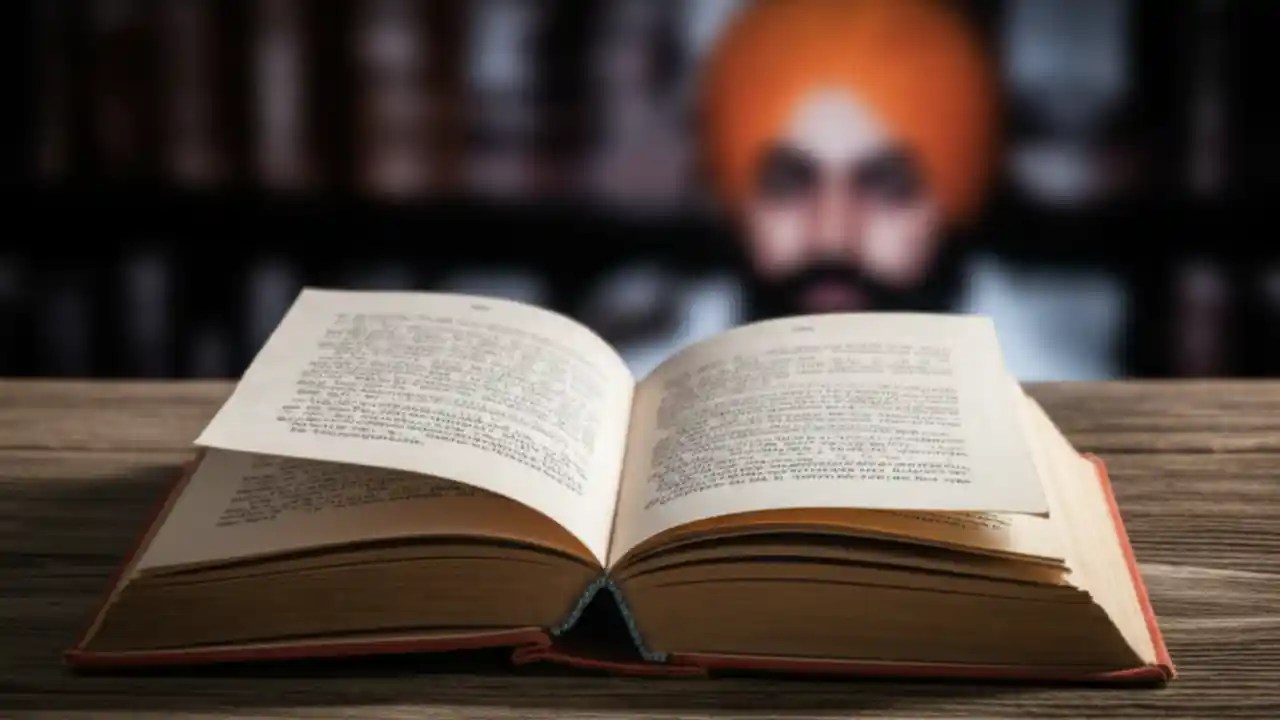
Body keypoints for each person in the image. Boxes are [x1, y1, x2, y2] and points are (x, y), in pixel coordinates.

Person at [697, 0, 996, 318]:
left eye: (887, 188)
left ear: (954, 204)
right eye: (787, 186)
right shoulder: (655, 364)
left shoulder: (1038, 366)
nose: (832, 238)